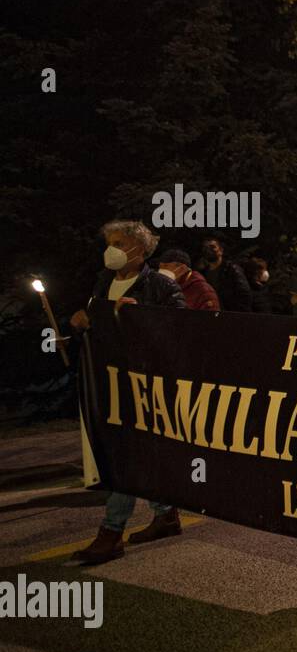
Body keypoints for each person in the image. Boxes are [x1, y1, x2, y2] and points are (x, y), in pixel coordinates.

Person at [68, 220, 187, 565]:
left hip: (146, 383)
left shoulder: (159, 286)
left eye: (119, 243)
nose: (112, 249)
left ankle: (111, 532)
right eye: (110, 242)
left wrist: (142, 317)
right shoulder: (104, 282)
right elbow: (98, 328)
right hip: (112, 380)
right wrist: (81, 323)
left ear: (140, 249)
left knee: (126, 454)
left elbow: (184, 330)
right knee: (136, 450)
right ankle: (165, 514)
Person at [193, 234, 252, 312]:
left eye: (212, 247)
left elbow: (244, 295)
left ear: (221, 250)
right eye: (205, 247)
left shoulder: (232, 270)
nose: (208, 250)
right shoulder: (203, 274)